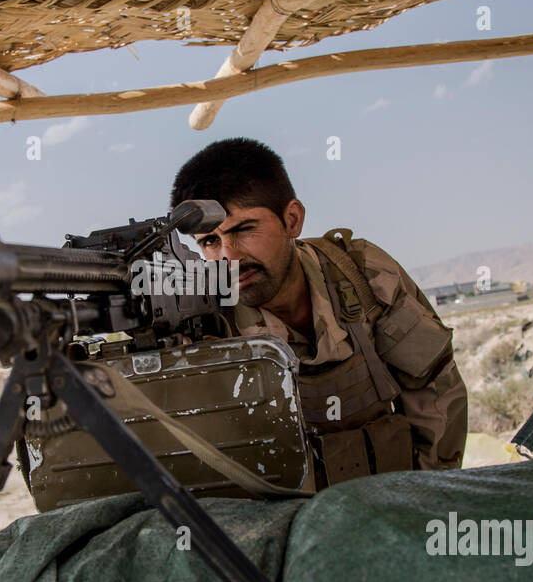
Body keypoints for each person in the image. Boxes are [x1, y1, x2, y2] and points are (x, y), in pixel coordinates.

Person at [171, 138, 468, 489]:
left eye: (245, 229)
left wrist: (426, 498)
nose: (229, 257)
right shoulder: (205, 324)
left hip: (394, 500)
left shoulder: (362, 275)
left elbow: (435, 391)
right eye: (210, 242)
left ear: (292, 219)